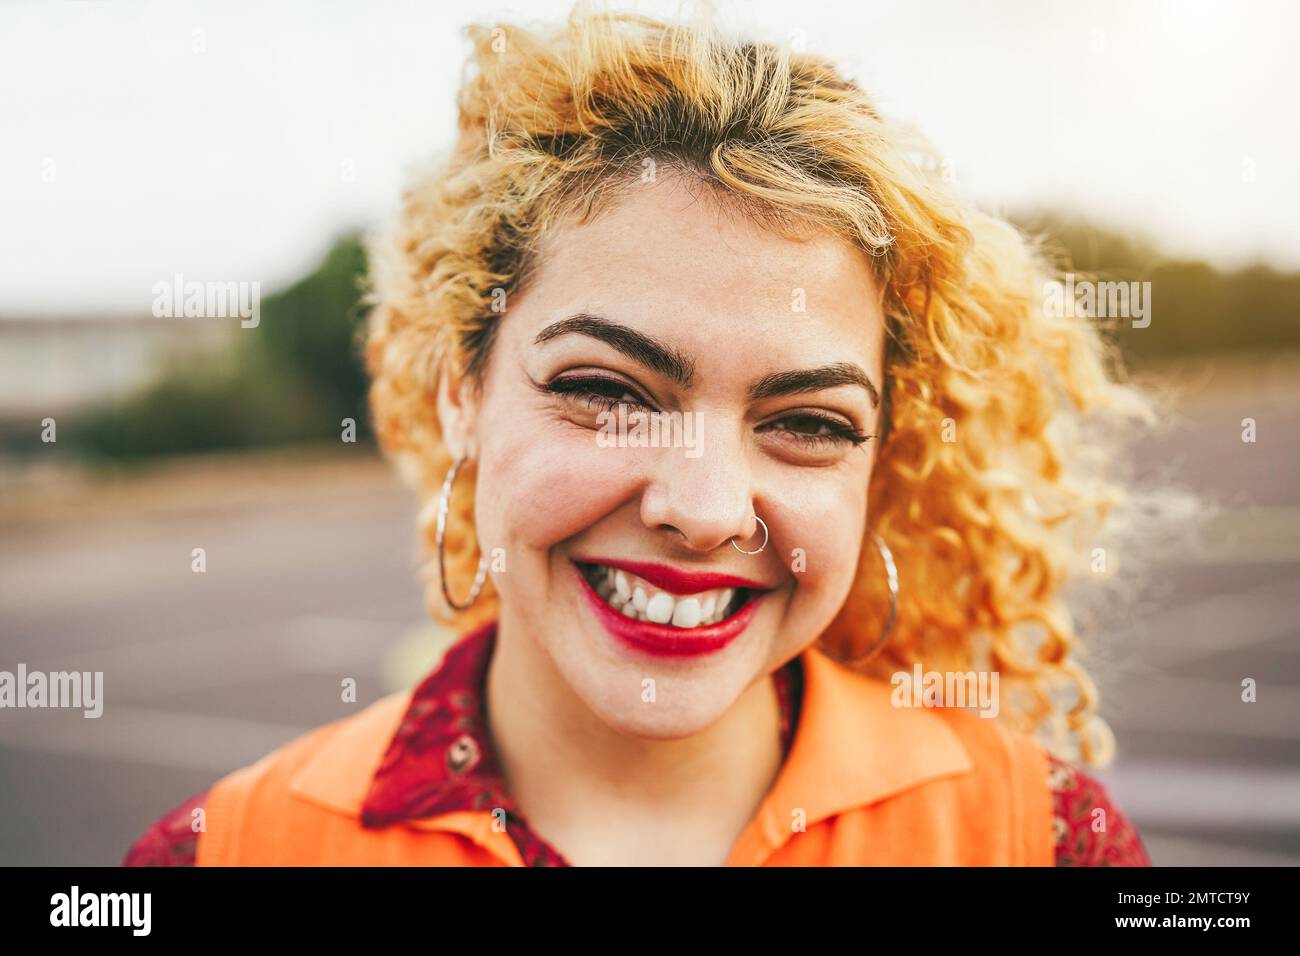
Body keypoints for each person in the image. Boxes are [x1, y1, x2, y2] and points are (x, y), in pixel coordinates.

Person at [124, 6, 1156, 866]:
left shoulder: (1040, 837)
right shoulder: (229, 849)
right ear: (461, 392)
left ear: (882, 457)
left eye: (804, 420)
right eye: (604, 388)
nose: (704, 511)